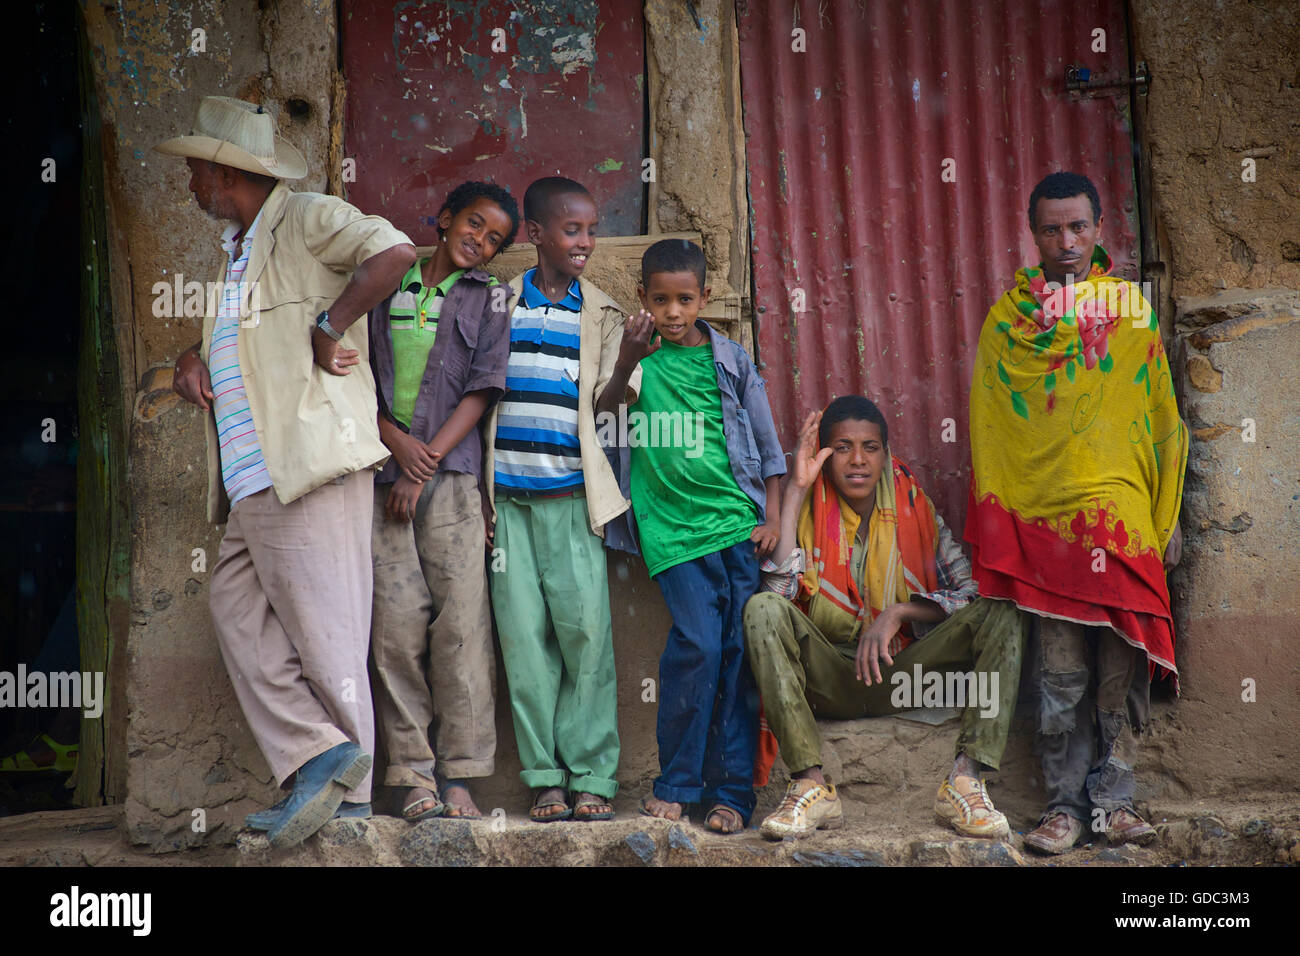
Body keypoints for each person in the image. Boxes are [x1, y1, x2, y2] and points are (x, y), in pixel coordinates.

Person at [159, 96, 417, 848]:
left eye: (195, 171)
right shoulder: (238, 249)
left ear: (226, 172)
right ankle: (319, 755)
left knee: (327, 633)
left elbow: (395, 250)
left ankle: (353, 802)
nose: (188, 186)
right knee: (235, 608)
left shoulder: (303, 217)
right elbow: (245, 347)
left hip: (306, 463)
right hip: (251, 477)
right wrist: (191, 360)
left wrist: (330, 325)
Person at [966, 170, 1187, 854]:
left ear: (1100, 230)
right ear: (1033, 234)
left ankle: (1113, 805)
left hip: (1120, 520)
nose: (1066, 241)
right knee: (1059, 674)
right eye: (1052, 229)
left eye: (1078, 227)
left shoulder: (1129, 310)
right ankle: (1063, 808)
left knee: (1119, 671)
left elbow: (1159, 418)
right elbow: (993, 430)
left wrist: (1166, 513)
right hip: (1047, 525)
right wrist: (1009, 518)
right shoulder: (1009, 321)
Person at [744, 398, 1027, 840]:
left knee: (1002, 612)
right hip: (827, 679)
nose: (858, 460)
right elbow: (777, 594)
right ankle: (810, 784)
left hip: (906, 675)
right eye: (842, 447)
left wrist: (900, 612)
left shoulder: (915, 508)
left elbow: (971, 594)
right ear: (824, 454)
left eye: (870, 447)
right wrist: (797, 490)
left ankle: (966, 780)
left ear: (886, 453)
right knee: (761, 609)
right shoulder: (807, 506)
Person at [482, 176, 649, 822]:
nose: (585, 242)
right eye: (572, 230)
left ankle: (594, 778)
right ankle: (544, 776)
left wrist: (628, 355)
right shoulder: (499, 306)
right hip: (508, 504)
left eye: (591, 229)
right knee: (524, 645)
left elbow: (607, 407)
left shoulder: (603, 313)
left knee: (587, 641)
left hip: (574, 500)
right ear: (536, 236)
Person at [366, 181, 520, 823]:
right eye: (474, 224)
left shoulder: (490, 302)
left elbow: (483, 391)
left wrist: (421, 464)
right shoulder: (384, 288)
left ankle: (461, 776)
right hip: (378, 478)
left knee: (460, 629)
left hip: (451, 482)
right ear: (445, 217)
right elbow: (348, 376)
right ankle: (412, 776)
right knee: (395, 630)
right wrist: (396, 446)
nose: (479, 243)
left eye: (494, 240)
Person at [629, 238, 785, 835]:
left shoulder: (733, 360)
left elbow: (769, 448)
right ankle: (676, 783)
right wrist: (623, 360)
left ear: (705, 298)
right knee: (696, 646)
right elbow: (605, 409)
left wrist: (770, 518)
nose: (672, 312)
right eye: (661, 300)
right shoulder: (639, 364)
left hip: (737, 530)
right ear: (643, 298)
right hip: (671, 534)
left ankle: (732, 793)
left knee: (737, 657)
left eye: (684, 300)